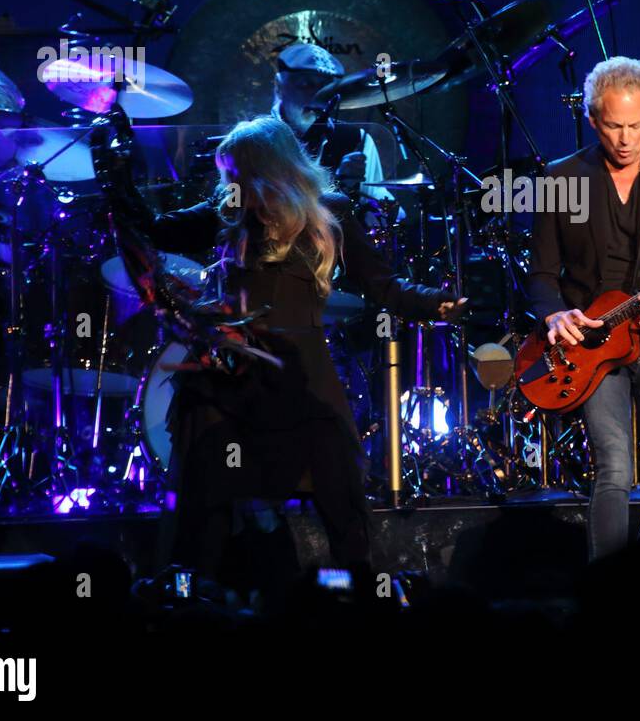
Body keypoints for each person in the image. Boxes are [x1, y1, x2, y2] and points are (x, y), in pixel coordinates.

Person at [102, 113, 464, 590]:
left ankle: (357, 600)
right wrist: (117, 168)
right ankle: (201, 597)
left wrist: (434, 301)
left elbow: (382, 283)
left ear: (265, 168)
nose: (228, 183)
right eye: (226, 174)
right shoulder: (227, 214)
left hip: (301, 373)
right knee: (211, 493)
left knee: (337, 493)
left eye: (235, 172)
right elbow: (152, 228)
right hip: (231, 375)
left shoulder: (328, 212)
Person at [527, 56, 640, 560]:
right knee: (614, 472)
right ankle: (603, 602)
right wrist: (554, 316)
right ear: (592, 119)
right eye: (612, 126)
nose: (625, 138)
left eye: (636, 125)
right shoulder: (560, 177)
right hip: (593, 347)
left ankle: (637, 588)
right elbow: (541, 275)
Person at [272, 41, 398, 223]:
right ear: (279, 85)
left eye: (325, 87)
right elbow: (234, 203)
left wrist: (383, 209)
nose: (317, 96)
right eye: (306, 84)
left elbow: (380, 209)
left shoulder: (357, 140)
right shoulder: (254, 140)